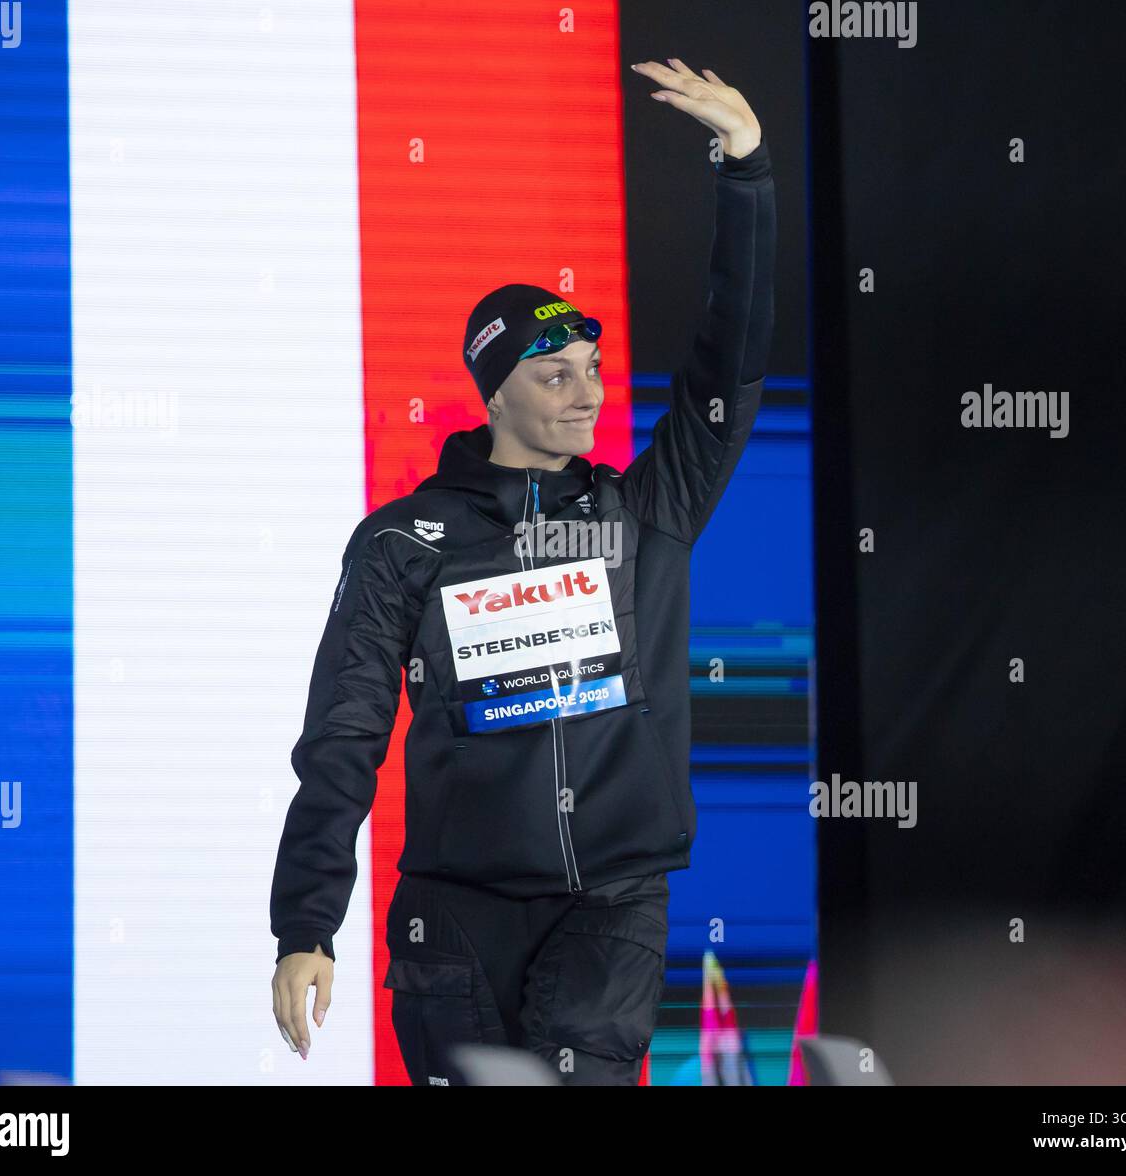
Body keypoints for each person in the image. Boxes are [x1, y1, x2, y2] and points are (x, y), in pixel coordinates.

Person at [270, 56, 776, 1086]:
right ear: (493, 395)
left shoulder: (651, 510)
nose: (587, 393)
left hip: (614, 904)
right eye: (554, 375)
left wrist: (745, 170)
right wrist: (305, 925)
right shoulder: (403, 542)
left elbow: (730, 361)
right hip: (453, 915)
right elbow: (343, 738)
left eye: (591, 368)